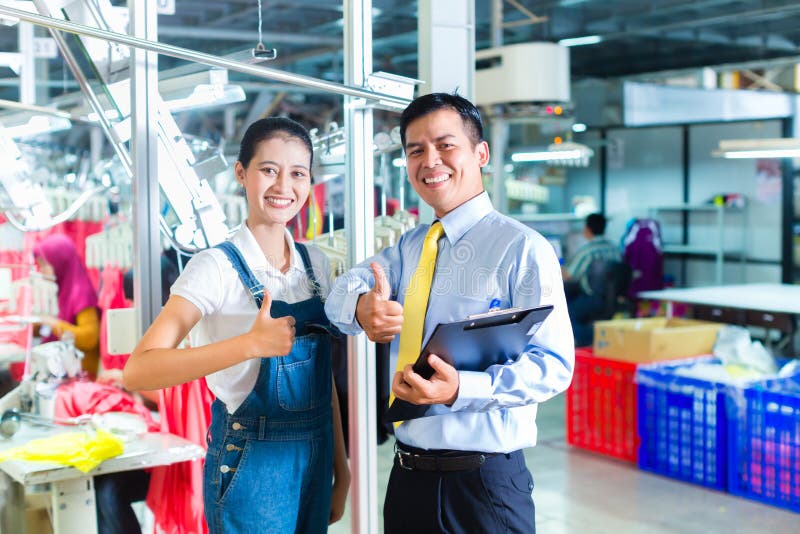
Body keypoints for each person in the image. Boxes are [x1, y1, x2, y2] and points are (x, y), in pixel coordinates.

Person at [325, 92, 574, 533]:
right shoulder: (410, 246)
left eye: (445, 145)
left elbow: (554, 366)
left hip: (485, 486)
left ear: (481, 153)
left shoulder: (521, 249)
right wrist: (363, 307)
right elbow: (343, 288)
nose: (430, 160)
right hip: (407, 479)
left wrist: (462, 389)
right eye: (415, 149)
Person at [123, 117, 349, 533]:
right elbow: (140, 368)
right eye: (269, 170)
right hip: (250, 464)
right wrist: (248, 345)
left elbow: (323, 383)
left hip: (315, 459)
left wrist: (343, 467)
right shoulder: (214, 267)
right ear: (241, 174)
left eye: (297, 173)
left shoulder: (314, 263)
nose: (284, 186)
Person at [33, 233, 101, 378]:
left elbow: (89, 337)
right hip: (66, 371)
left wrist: (53, 324)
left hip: (82, 375)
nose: (42, 270)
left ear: (60, 261)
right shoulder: (62, 290)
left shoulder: (80, 292)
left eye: (45, 264)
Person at [562, 213, 621, 346]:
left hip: (593, 299)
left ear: (587, 229)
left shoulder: (587, 251)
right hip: (614, 299)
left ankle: (591, 339)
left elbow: (568, 276)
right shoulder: (615, 248)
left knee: (566, 313)